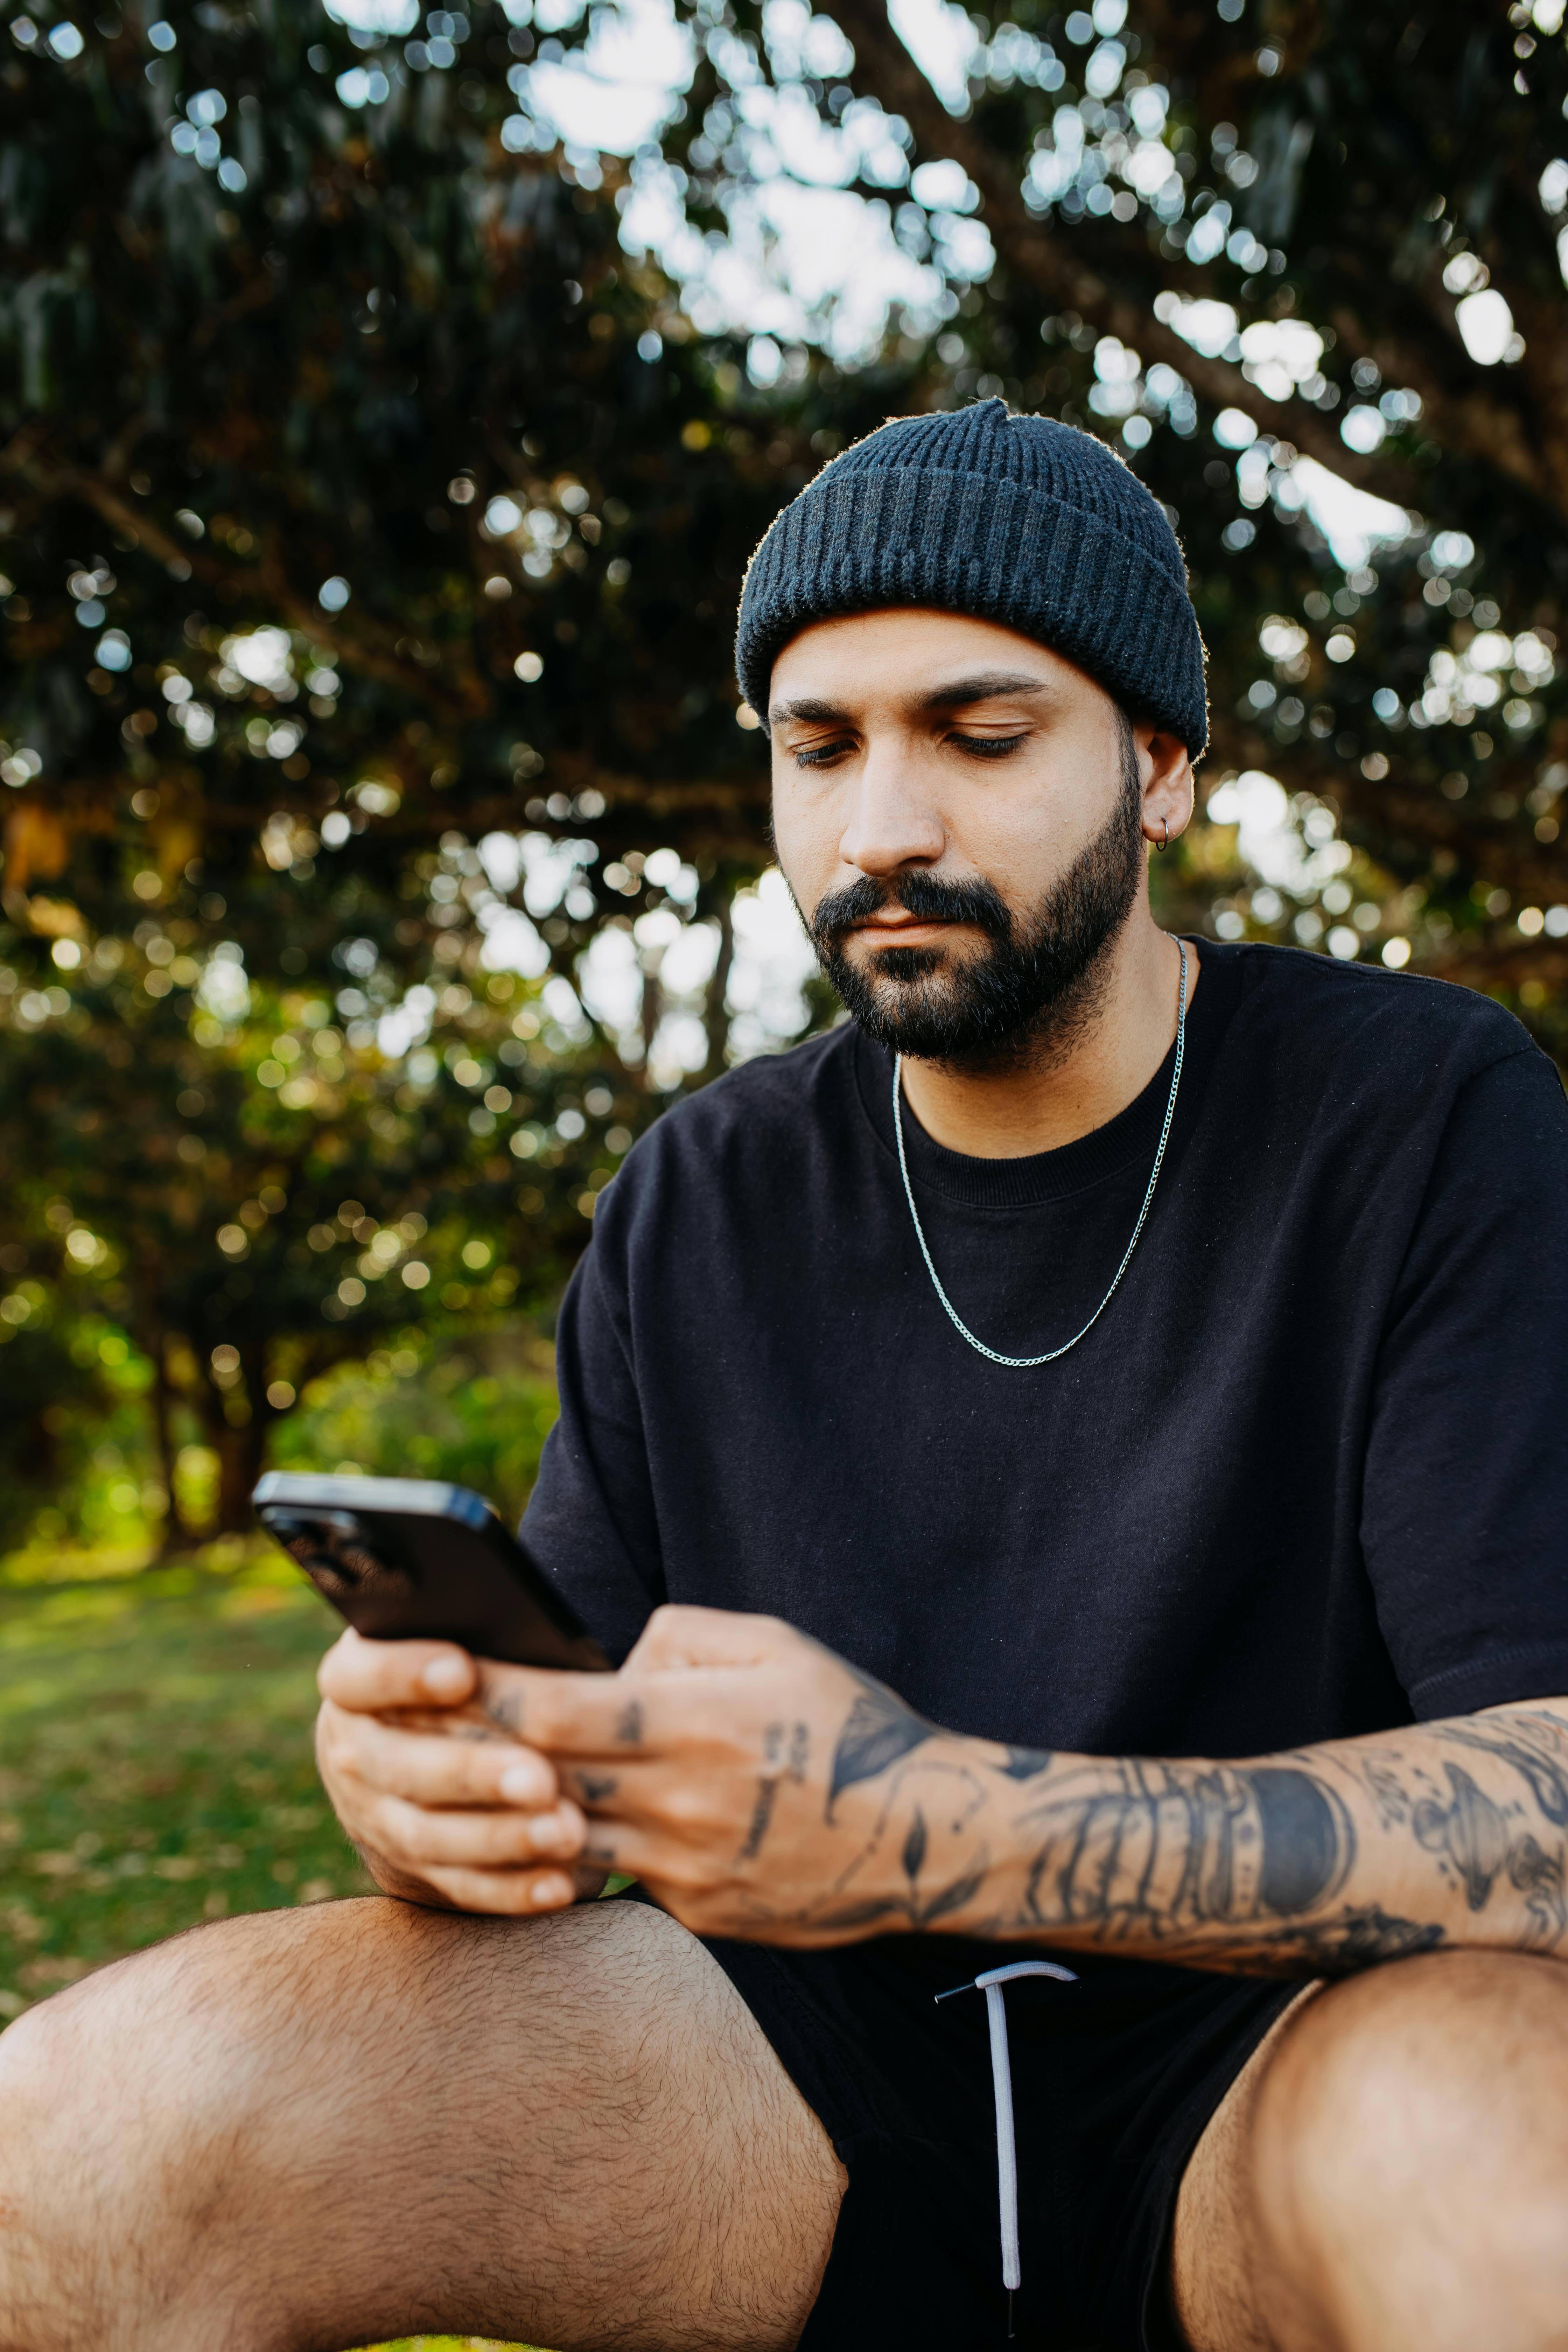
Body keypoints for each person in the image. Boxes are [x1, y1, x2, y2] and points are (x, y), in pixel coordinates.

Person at [4, 400, 1568, 2352]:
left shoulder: (1424, 1111)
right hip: (777, 2078)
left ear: (1158, 770)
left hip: (1291, 2053)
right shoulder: (702, 1190)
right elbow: (565, 1765)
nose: (878, 824)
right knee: (82, 2132)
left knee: (1515, 2181)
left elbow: (1550, 1809)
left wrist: (940, 1820)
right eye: (815, 748)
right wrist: (429, 1789)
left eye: (977, 737)